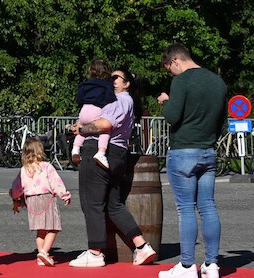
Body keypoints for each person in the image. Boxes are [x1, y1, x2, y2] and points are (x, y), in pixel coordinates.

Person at [69, 66, 157, 267]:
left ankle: (95, 252)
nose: (111, 79)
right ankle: (142, 247)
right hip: (118, 154)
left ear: (127, 83)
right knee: (113, 205)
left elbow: (105, 124)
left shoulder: (120, 100)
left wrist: (81, 129)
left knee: (92, 203)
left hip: (102, 151)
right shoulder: (128, 101)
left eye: (116, 77)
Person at [156, 43, 227, 278]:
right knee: (208, 207)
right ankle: (212, 265)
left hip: (183, 151)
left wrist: (166, 101)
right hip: (208, 151)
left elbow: (172, 116)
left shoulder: (182, 80)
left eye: (169, 69)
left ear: (175, 60)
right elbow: (222, 122)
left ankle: (187, 266)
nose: (171, 73)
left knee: (186, 209)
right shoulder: (218, 81)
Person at [10, 136, 71, 266]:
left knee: (41, 229)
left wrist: (15, 198)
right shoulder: (46, 166)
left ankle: (40, 255)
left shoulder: (24, 170)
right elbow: (56, 182)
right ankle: (44, 252)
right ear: (40, 151)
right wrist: (64, 195)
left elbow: (17, 187)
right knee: (53, 227)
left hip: (31, 201)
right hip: (46, 199)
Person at [71, 59, 117, 169]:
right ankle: (101, 153)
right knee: (104, 130)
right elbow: (110, 98)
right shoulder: (107, 85)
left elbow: (79, 98)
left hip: (84, 110)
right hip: (97, 109)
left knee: (82, 130)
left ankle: (75, 149)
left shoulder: (84, 84)